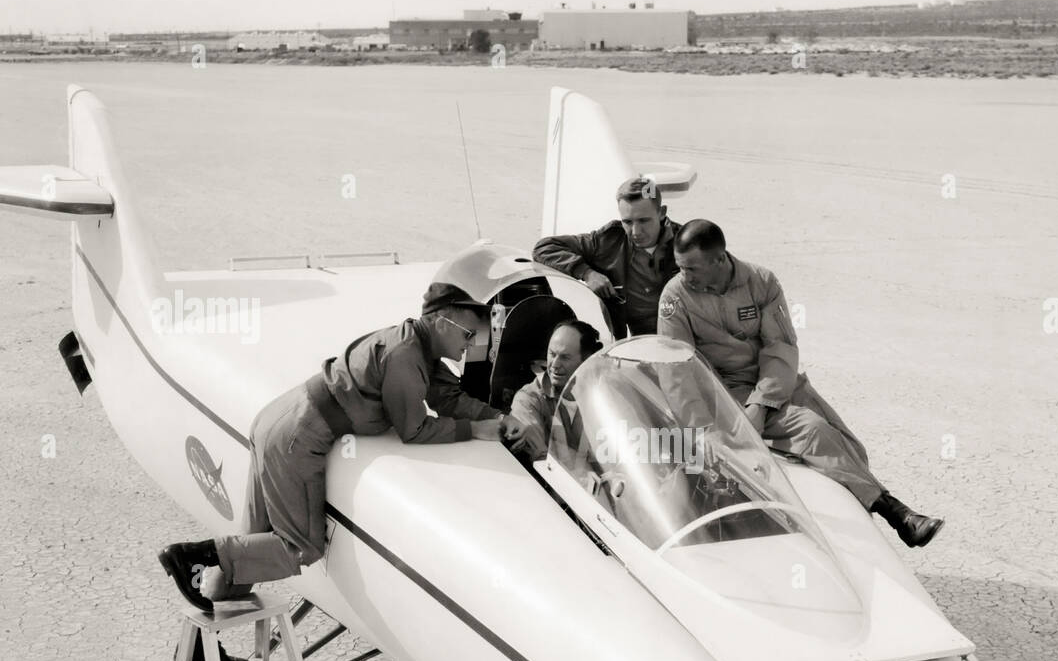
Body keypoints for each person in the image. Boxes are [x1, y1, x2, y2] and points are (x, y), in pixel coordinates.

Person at [158, 282, 536, 613]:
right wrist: (475, 431)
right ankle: (191, 556)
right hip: (297, 437)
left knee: (250, 550)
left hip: (277, 418)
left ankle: (206, 641)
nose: (471, 345)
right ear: (441, 323)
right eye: (468, 335)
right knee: (300, 547)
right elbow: (414, 429)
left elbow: (447, 398)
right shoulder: (404, 355)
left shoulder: (415, 344)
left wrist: (499, 419)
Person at [657, 220, 944, 548]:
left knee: (847, 446)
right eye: (680, 268)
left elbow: (780, 348)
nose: (684, 276)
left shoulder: (762, 282)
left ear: (719, 260)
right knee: (814, 432)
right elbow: (676, 371)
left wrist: (761, 404)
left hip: (777, 382)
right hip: (725, 392)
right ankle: (898, 515)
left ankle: (892, 518)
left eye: (691, 268)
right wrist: (703, 431)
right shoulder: (675, 297)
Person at [533, 177, 681, 339]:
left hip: (682, 334)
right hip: (633, 343)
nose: (636, 232)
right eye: (628, 222)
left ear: (661, 213)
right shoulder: (608, 242)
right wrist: (587, 273)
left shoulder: (687, 242)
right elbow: (544, 248)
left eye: (643, 221)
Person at [508, 320, 603, 461]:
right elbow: (541, 455)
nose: (555, 365)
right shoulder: (528, 399)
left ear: (586, 361)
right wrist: (583, 474)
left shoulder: (604, 395)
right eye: (552, 354)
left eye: (565, 357)